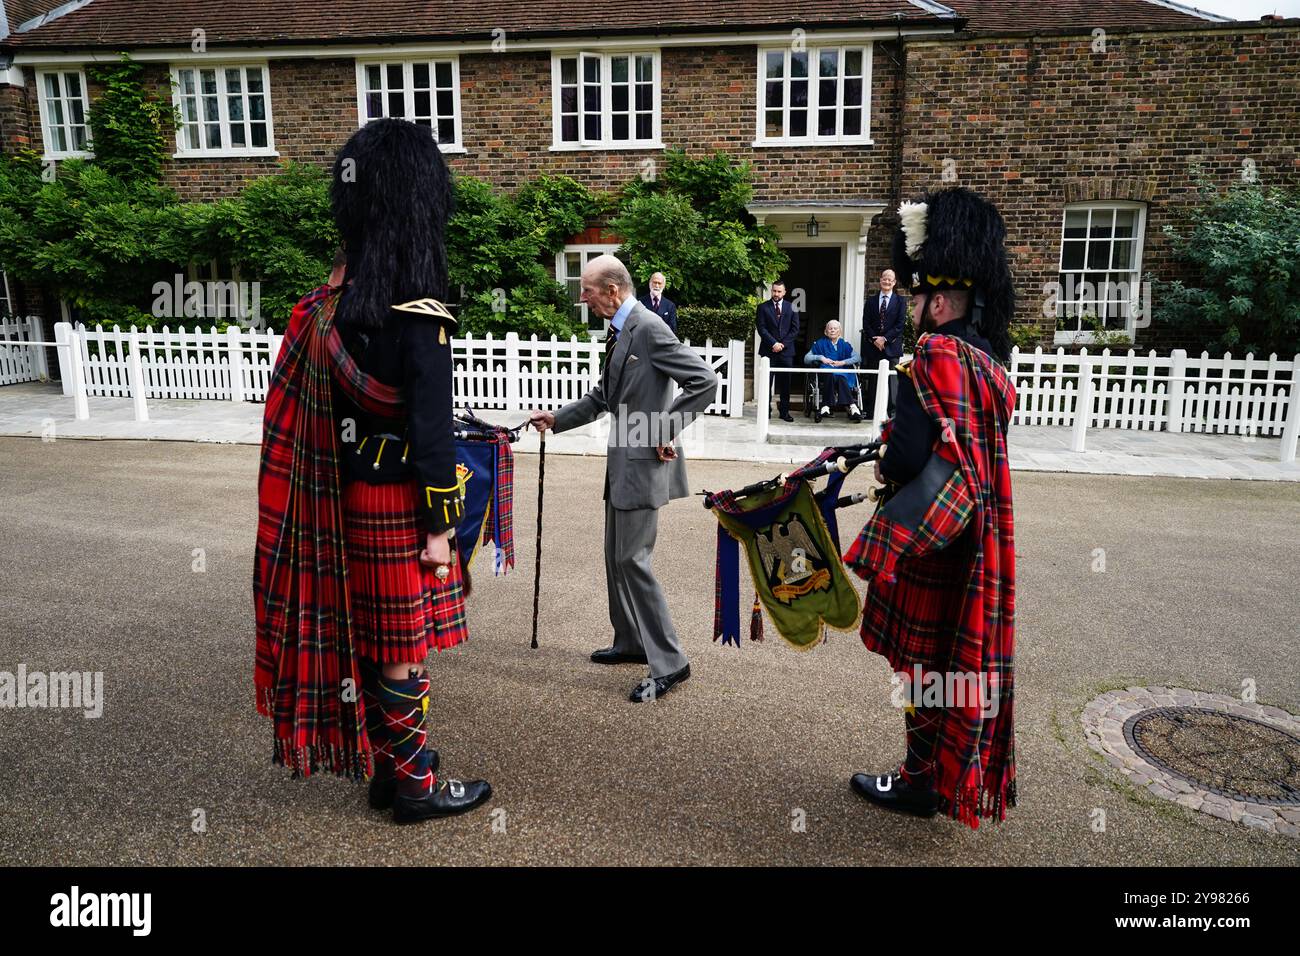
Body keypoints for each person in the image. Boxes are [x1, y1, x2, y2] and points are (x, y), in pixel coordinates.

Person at [253, 118, 492, 825]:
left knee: (375, 642)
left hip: (343, 502)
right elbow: (430, 438)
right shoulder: (421, 314)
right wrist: (442, 530)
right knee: (402, 654)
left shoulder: (329, 306)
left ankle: (391, 770)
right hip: (398, 506)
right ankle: (417, 787)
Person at [844, 186, 1017, 829]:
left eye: (917, 299)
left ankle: (919, 781)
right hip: (974, 540)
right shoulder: (988, 360)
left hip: (929, 541)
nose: (913, 310)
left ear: (938, 300)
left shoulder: (934, 356)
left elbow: (909, 458)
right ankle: (943, 776)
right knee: (951, 665)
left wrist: (886, 455)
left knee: (921, 668)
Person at [529, 255, 718, 703]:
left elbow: (705, 381)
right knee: (617, 558)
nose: (583, 297)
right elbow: (603, 396)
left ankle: (670, 662)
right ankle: (631, 642)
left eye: (588, 290)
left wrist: (663, 430)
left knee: (634, 561)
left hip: (643, 461)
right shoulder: (620, 330)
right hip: (622, 461)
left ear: (613, 290)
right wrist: (556, 419)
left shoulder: (650, 328)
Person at [860, 270, 906, 414]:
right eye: (884, 279)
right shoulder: (871, 301)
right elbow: (866, 323)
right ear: (880, 281)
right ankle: (871, 411)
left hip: (892, 346)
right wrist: (875, 339)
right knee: (873, 379)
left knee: (892, 380)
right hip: (874, 347)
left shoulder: (900, 301)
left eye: (890, 280)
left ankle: (893, 413)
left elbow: (900, 324)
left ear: (894, 283)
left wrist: (884, 339)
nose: (887, 282)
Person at [756, 280, 799, 422]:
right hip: (768, 351)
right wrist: (773, 343)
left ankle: (784, 412)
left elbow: (795, 329)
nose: (776, 294)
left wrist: (782, 344)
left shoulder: (792, 307)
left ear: (784, 292)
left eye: (779, 291)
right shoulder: (763, 307)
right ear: (772, 291)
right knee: (766, 383)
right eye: (774, 291)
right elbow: (761, 328)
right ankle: (765, 412)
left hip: (786, 352)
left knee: (785, 384)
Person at [803, 319, 862, 422]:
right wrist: (821, 358)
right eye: (830, 328)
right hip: (826, 372)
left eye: (835, 329)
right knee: (829, 375)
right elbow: (806, 359)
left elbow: (858, 358)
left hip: (842, 372)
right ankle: (826, 406)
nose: (833, 331)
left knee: (841, 378)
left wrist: (843, 362)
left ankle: (853, 407)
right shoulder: (820, 343)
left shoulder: (845, 344)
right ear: (826, 331)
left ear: (839, 331)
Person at [638, 271, 678, 338]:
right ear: (650, 283)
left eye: (659, 283)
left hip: (663, 343)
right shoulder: (640, 302)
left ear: (663, 285)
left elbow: (672, 328)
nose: (657, 286)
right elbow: (636, 324)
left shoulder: (670, 306)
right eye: (655, 282)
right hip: (644, 342)